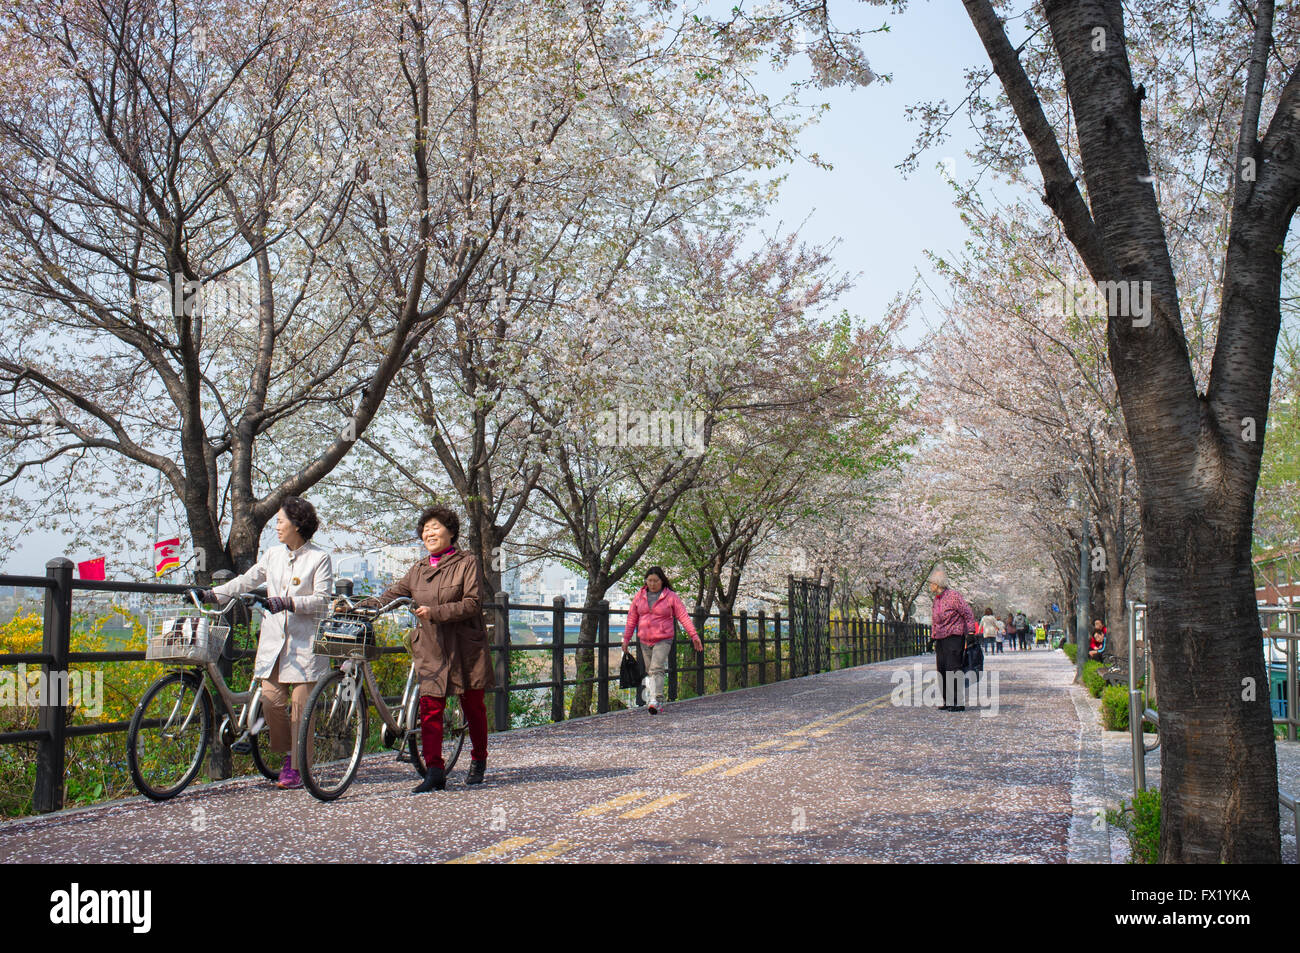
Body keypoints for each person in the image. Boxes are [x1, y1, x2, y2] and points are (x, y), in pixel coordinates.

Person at [198, 496, 332, 790]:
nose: (277, 527)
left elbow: (323, 601)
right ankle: (288, 753)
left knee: (300, 707)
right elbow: (246, 581)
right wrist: (213, 594)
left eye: (281, 522)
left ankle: (298, 765)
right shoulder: (272, 555)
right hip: (274, 644)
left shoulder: (318, 558)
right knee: (271, 702)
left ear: (297, 524)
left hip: (304, 644)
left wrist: (288, 602)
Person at [361, 505, 494, 793]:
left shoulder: (466, 562)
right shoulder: (418, 569)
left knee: (473, 705)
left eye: (436, 527)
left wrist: (434, 612)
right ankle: (434, 770)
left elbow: (473, 602)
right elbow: (392, 595)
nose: (429, 533)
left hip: (464, 647)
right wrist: (364, 607)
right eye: (425, 529)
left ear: (451, 532)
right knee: (430, 708)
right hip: (432, 646)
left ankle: (479, 758)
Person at [621, 567, 703, 714]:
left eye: (656, 581)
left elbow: (683, 616)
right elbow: (632, 618)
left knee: (656, 668)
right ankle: (655, 698)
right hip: (645, 639)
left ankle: (656, 700)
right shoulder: (639, 596)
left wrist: (694, 635)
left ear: (662, 581)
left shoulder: (670, 596)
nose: (652, 584)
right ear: (646, 581)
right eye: (650, 580)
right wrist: (626, 638)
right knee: (649, 670)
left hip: (663, 639)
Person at [927, 568, 975, 711]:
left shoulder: (953, 596)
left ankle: (957, 702)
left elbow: (967, 613)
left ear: (937, 584)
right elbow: (935, 620)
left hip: (954, 636)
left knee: (953, 669)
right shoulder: (936, 600)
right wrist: (932, 638)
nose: (930, 586)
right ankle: (947, 701)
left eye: (931, 583)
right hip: (940, 638)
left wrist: (971, 632)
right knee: (941, 669)